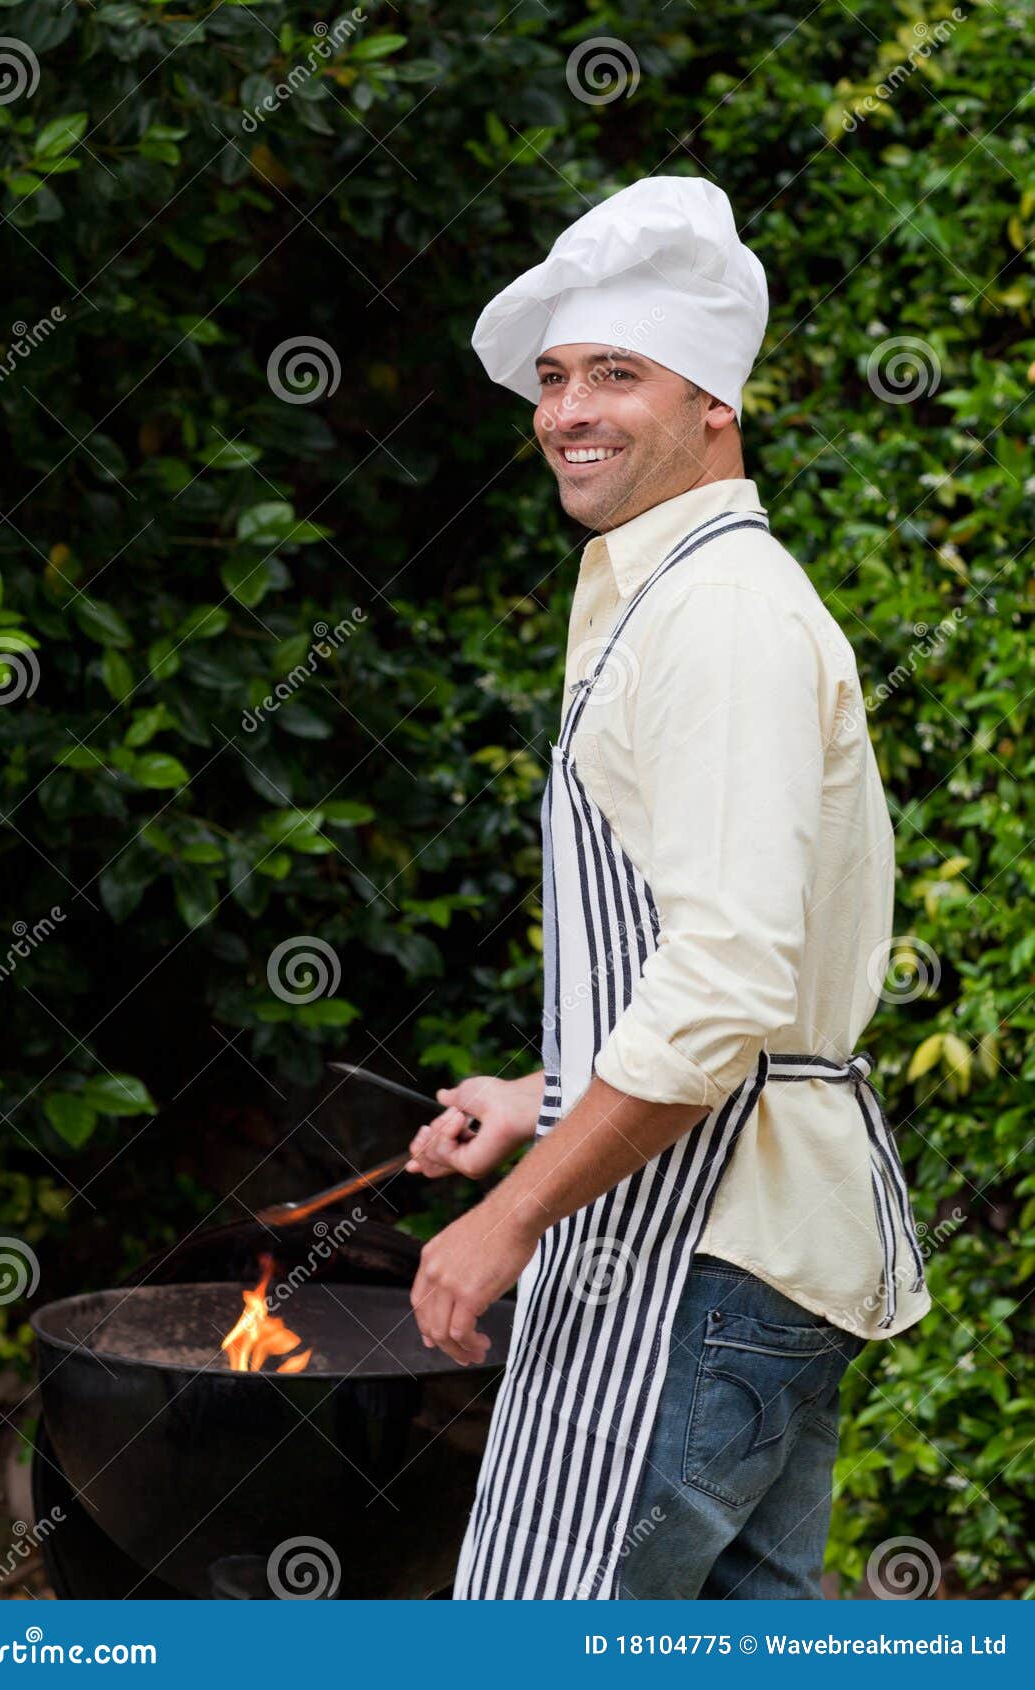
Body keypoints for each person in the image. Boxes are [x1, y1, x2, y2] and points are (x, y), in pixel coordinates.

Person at [405, 176, 931, 1601]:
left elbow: (722, 990)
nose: (567, 409)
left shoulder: (717, 616)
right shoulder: (670, 591)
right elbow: (711, 955)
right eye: (555, 375)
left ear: (716, 405)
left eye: (616, 374)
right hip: (740, 1238)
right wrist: (545, 1090)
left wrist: (508, 1213)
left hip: (694, 1258)